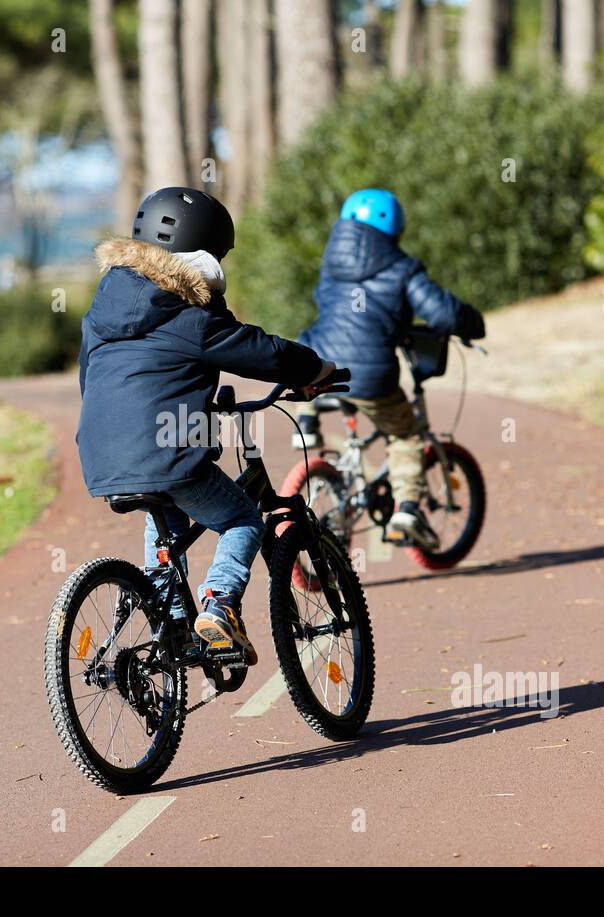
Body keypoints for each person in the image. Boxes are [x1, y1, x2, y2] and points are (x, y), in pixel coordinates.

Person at [77, 186, 336, 665]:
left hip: (100, 452)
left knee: (166, 525)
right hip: (169, 447)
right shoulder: (186, 308)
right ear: (202, 252)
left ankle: (169, 631)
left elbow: (90, 380)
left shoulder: (102, 310)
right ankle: (218, 606)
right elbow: (256, 350)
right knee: (240, 518)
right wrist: (314, 369)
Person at [296, 188, 485, 545]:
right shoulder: (401, 267)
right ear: (395, 228)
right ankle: (407, 510)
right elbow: (442, 312)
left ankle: (307, 423)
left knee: (317, 373)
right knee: (405, 434)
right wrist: (473, 323)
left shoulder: (331, 263)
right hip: (369, 376)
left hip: (319, 367)